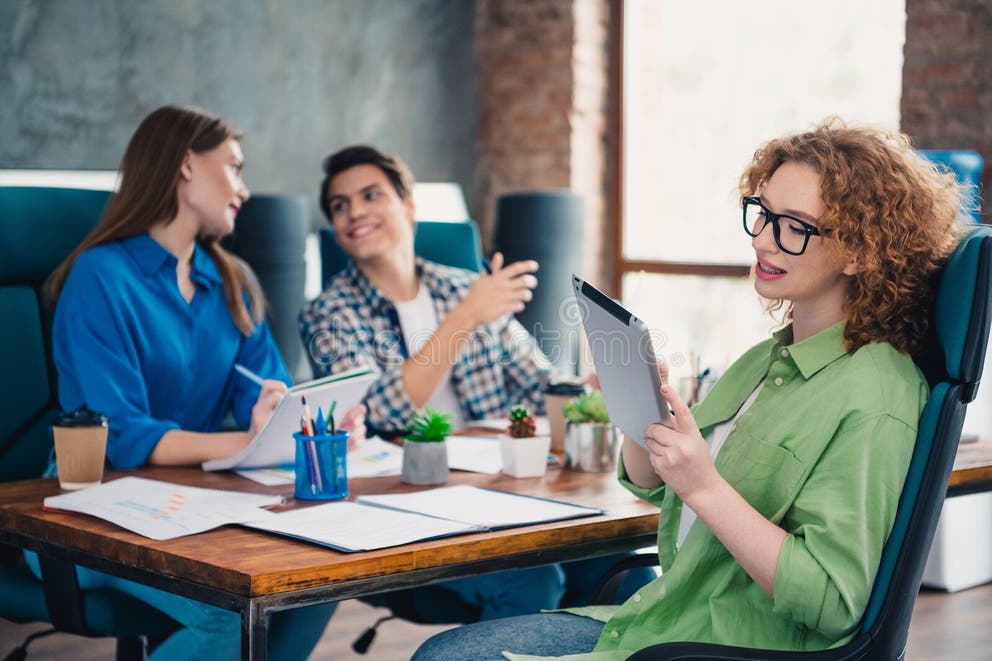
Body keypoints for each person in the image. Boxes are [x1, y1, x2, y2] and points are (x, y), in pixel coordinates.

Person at [411, 119, 965, 660]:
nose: (765, 240)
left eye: (795, 226)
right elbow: (659, 486)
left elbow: (833, 601)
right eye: (764, 214)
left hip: (724, 645)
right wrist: (638, 407)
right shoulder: (765, 360)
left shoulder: (875, 398)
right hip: (667, 619)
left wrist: (704, 486)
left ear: (863, 252)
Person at [39, 105, 366, 661]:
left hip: (192, 507)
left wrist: (297, 422)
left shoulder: (233, 283)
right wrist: (246, 443)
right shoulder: (101, 277)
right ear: (186, 164)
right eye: (234, 167)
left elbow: (272, 398)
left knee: (320, 577)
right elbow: (117, 436)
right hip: (90, 511)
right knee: (227, 618)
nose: (243, 189)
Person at [298, 145, 653, 622]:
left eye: (369, 195)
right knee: (534, 579)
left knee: (624, 568)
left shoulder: (463, 286)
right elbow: (380, 410)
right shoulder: (328, 312)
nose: (354, 211)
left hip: (502, 491)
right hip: (404, 510)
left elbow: (536, 381)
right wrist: (466, 315)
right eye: (340, 205)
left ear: (408, 205)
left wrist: (585, 391)